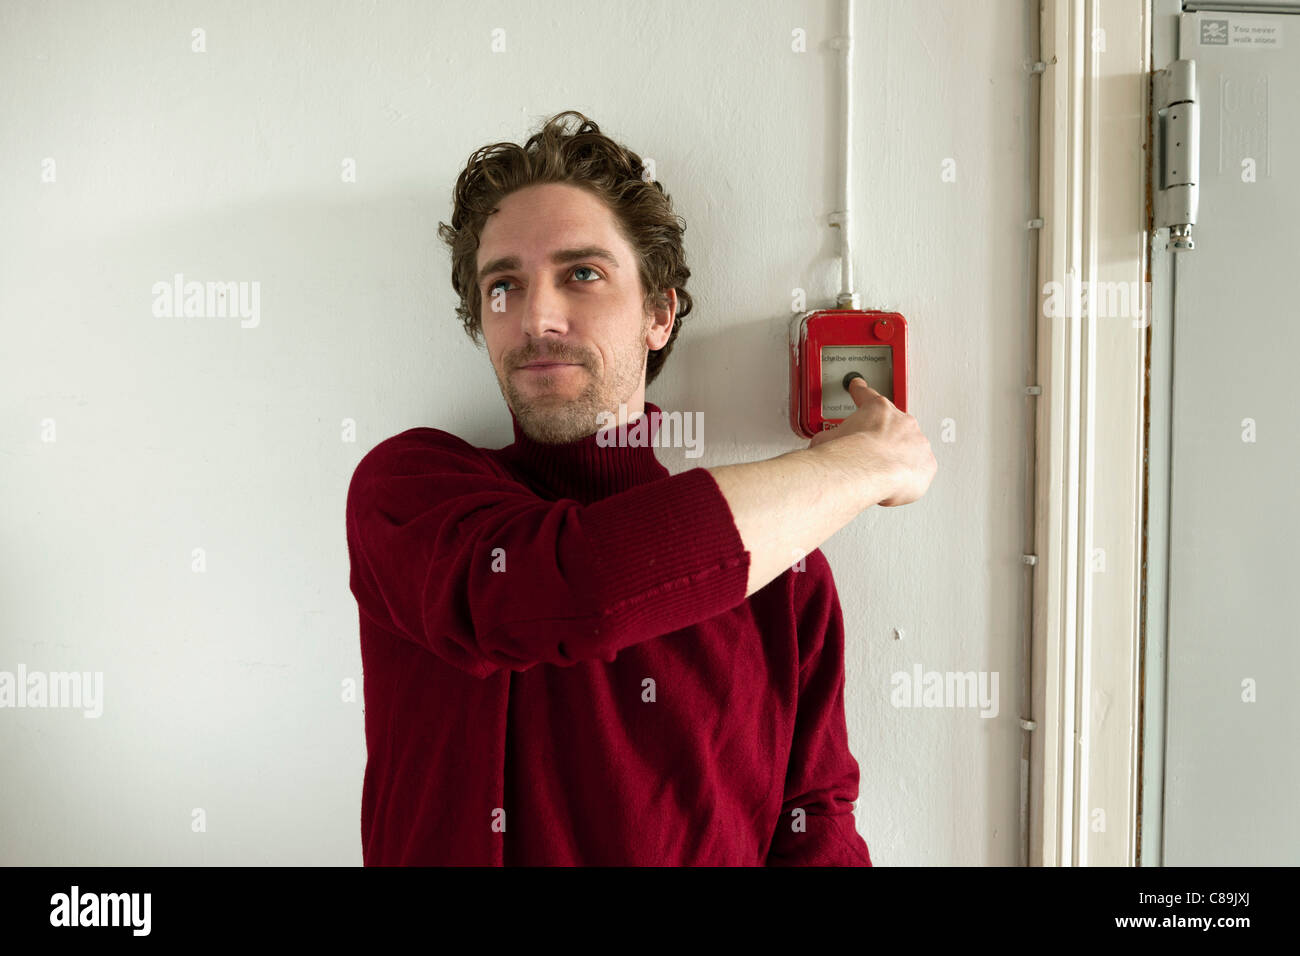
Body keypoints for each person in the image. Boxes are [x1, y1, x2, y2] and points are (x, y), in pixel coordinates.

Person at [344, 110, 937, 865]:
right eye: (504, 286)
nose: (538, 317)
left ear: (659, 315)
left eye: (581, 274)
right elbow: (578, 584)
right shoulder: (409, 495)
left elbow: (814, 822)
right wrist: (861, 466)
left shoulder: (787, 573)